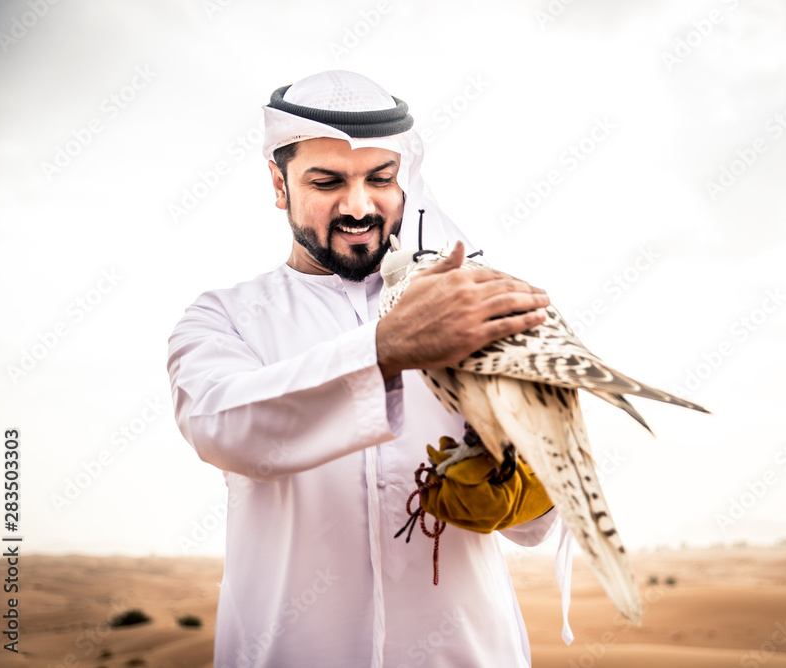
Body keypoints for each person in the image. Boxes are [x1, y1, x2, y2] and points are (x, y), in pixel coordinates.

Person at [167, 70, 558, 667]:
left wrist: (526, 457)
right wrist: (387, 350)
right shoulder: (224, 319)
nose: (359, 206)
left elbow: (536, 528)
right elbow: (224, 427)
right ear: (279, 183)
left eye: (381, 179)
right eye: (327, 182)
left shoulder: (467, 307)